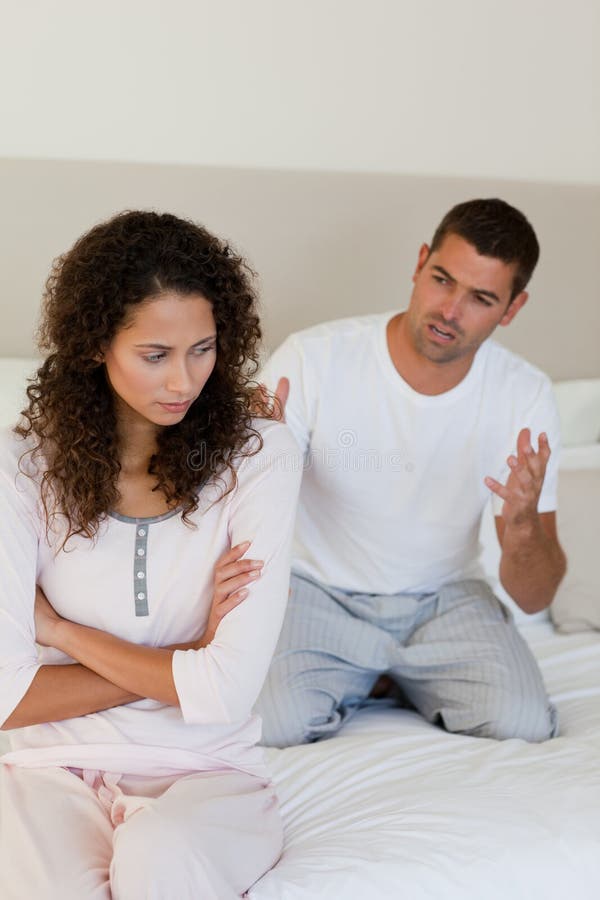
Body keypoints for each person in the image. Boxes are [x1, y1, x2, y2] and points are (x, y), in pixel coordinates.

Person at [0, 211, 301, 899]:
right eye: (155, 355)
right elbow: (7, 699)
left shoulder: (260, 457)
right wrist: (191, 654)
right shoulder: (21, 470)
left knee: (158, 860)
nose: (184, 381)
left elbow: (226, 691)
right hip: (49, 772)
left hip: (209, 775)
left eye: (203, 349)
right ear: (95, 345)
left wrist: (62, 633)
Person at [256, 197, 567, 749]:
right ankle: (382, 675)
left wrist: (522, 526)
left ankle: (387, 675)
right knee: (272, 724)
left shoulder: (525, 394)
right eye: (442, 280)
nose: (450, 310)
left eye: (480, 299)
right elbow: (241, 515)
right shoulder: (312, 358)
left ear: (512, 308)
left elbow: (535, 597)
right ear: (421, 263)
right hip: (318, 590)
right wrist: (260, 464)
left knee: (522, 723)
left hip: (444, 599)